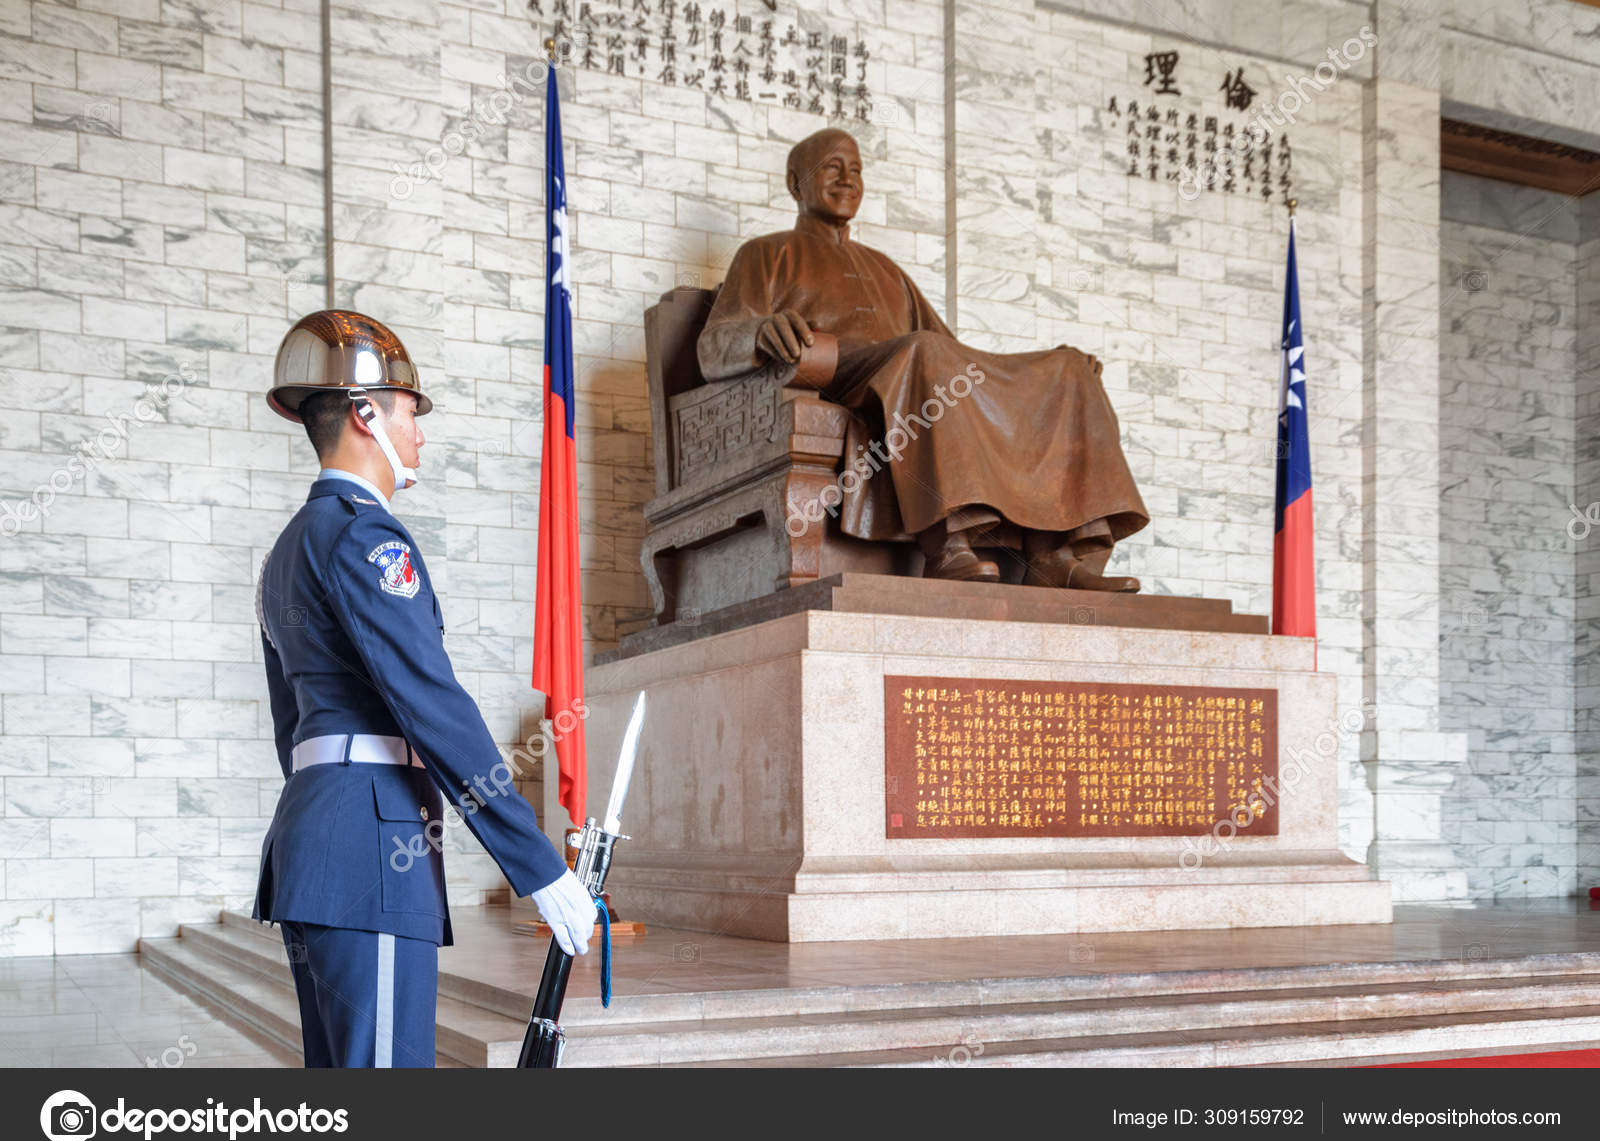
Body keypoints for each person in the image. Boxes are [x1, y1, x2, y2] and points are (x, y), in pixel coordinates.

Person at [252, 309, 597, 1067]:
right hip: (372, 856)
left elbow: (291, 725)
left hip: (315, 847)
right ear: (366, 414)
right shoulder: (364, 536)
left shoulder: (287, 550)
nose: (420, 433)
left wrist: (328, 826)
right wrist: (537, 864)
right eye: (410, 411)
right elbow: (431, 703)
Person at [697, 128, 1150, 590]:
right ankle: (947, 545)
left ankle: (1053, 555)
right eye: (832, 167)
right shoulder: (766, 253)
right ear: (796, 183)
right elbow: (711, 347)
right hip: (835, 373)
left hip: (909, 369)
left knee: (1067, 369)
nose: (847, 179)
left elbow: (957, 358)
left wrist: (1039, 372)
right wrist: (759, 332)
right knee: (924, 350)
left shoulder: (886, 269)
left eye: (856, 170)